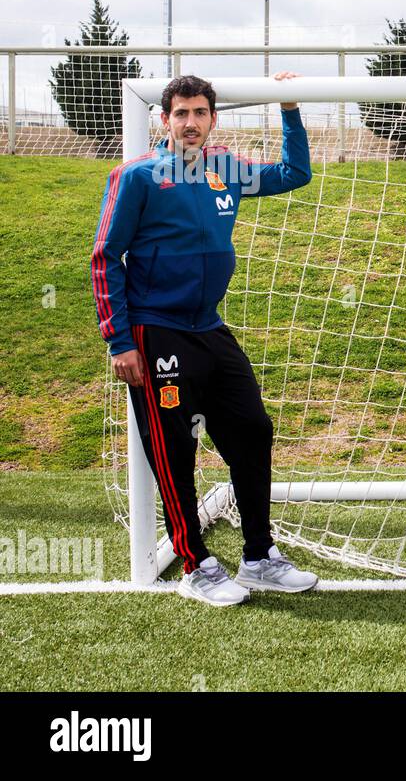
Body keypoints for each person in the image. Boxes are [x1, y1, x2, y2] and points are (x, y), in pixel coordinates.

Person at [92, 72, 319, 606]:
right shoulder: (138, 177)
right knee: (174, 451)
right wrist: (119, 341)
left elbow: (295, 173)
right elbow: (106, 257)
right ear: (164, 119)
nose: (190, 123)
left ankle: (259, 556)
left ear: (213, 118)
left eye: (199, 113)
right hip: (155, 331)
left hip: (209, 328)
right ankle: (195, 564)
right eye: (180, 114)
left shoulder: (227, 170)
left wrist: (289, 108)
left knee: (253, 429)